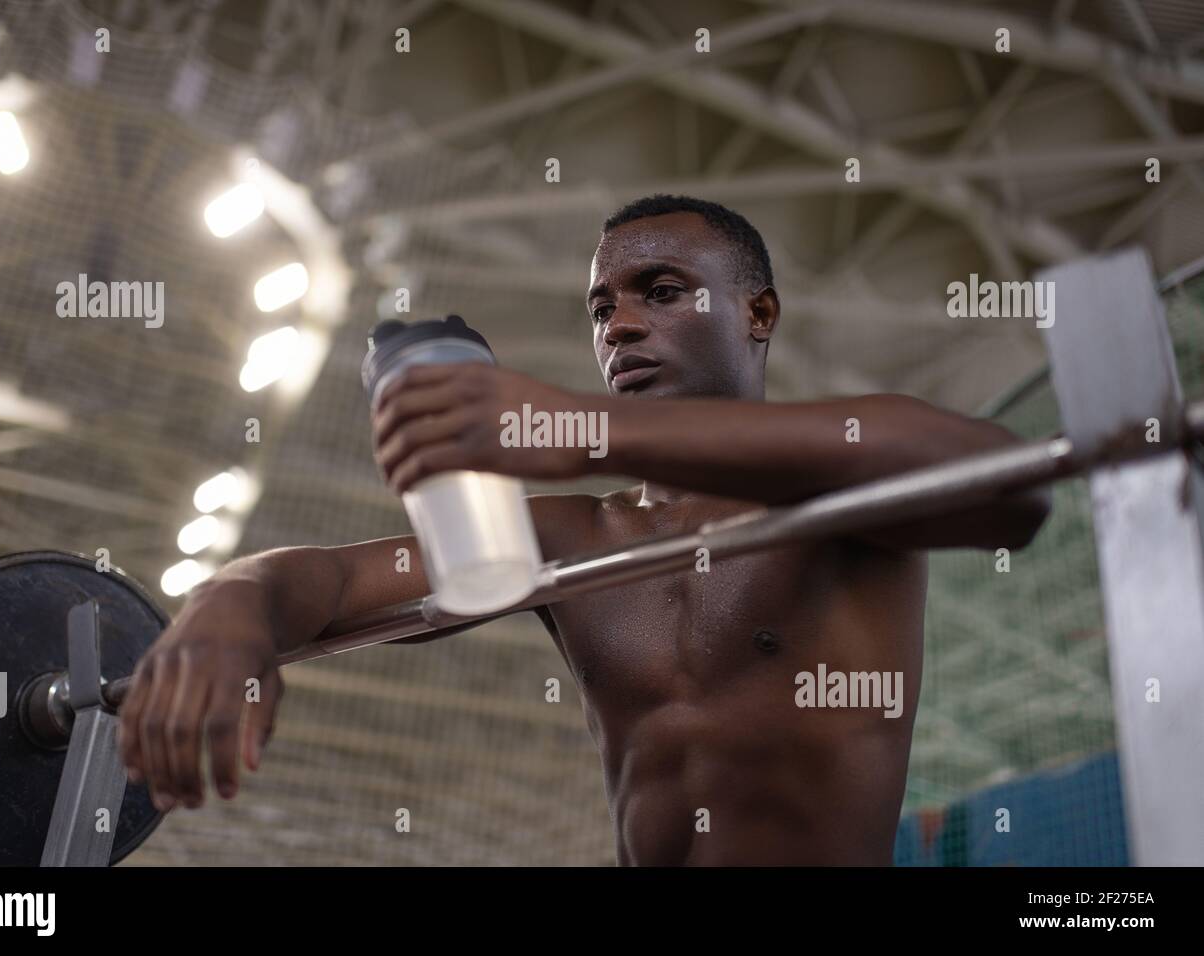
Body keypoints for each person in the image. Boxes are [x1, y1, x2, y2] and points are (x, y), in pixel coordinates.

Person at [118, 194, 1050, 865]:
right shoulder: (573, 539)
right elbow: (323, 580)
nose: (622, 326)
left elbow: (1009, 492)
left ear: (758, 312)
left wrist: (575, 428)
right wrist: (231, 606)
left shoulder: (851, 482)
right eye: (603, 308)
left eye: (661, 291)